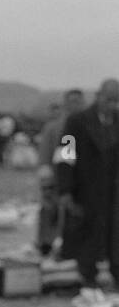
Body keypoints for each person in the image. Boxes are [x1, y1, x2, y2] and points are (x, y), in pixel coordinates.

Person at [56, 79, 119, 287]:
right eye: (109, 100)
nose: (113, 105)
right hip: (86, 188)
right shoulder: (76, 122)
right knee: (87, 233)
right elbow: (65, 156)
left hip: (113, 190)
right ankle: (87, 276)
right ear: (98, 96)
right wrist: (65, 189)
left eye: (117, 101)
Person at [37, 90, 84, 254]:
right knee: (51, 212)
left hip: (81, 182)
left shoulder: (87, 125)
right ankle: (46, 244)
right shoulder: (55, 127)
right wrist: (47, 177)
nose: (75, 105)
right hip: (56, 178)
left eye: (79, 101)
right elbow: (47, 153)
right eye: (72, 101)